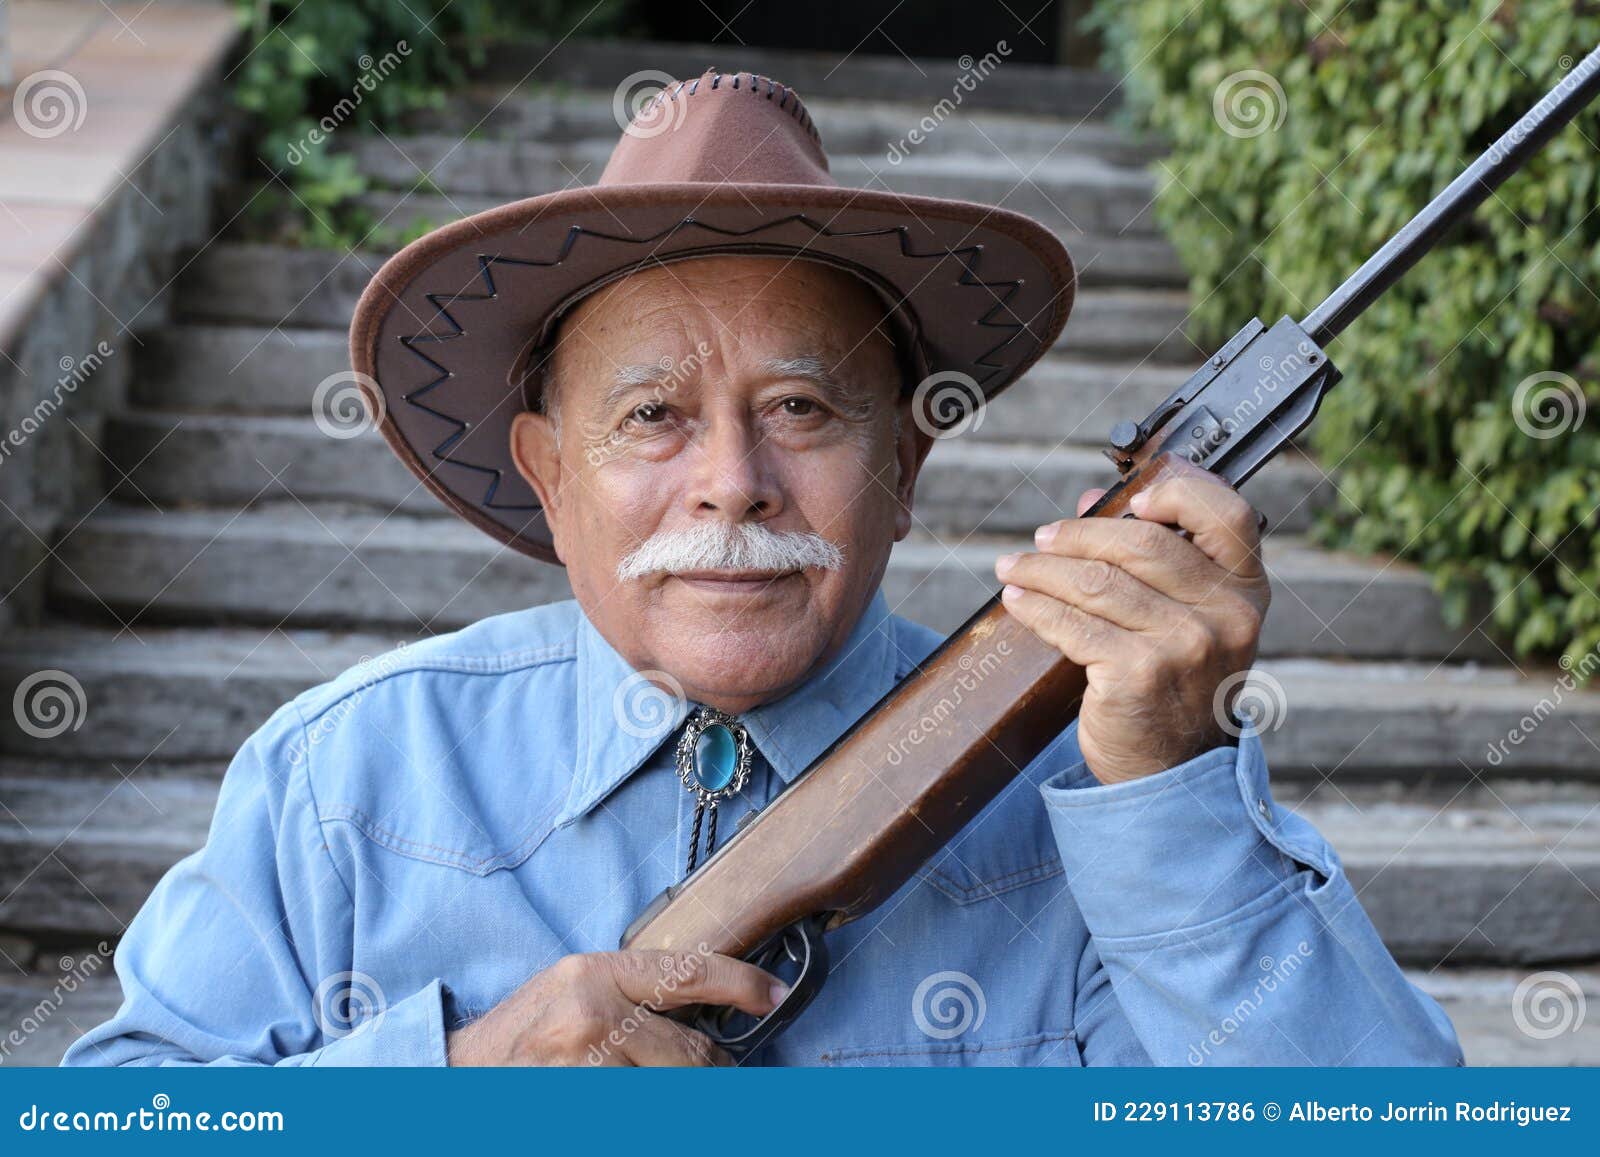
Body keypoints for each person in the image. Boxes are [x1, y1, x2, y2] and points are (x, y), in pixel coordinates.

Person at [64, 69, 1460, 1067]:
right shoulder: (343, 775)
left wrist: (1168, 794)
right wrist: (451, 1082)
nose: (733, 478)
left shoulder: (1111, 778)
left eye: (802, 408)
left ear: (907, 466)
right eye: (652, 416)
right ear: (549, 475)